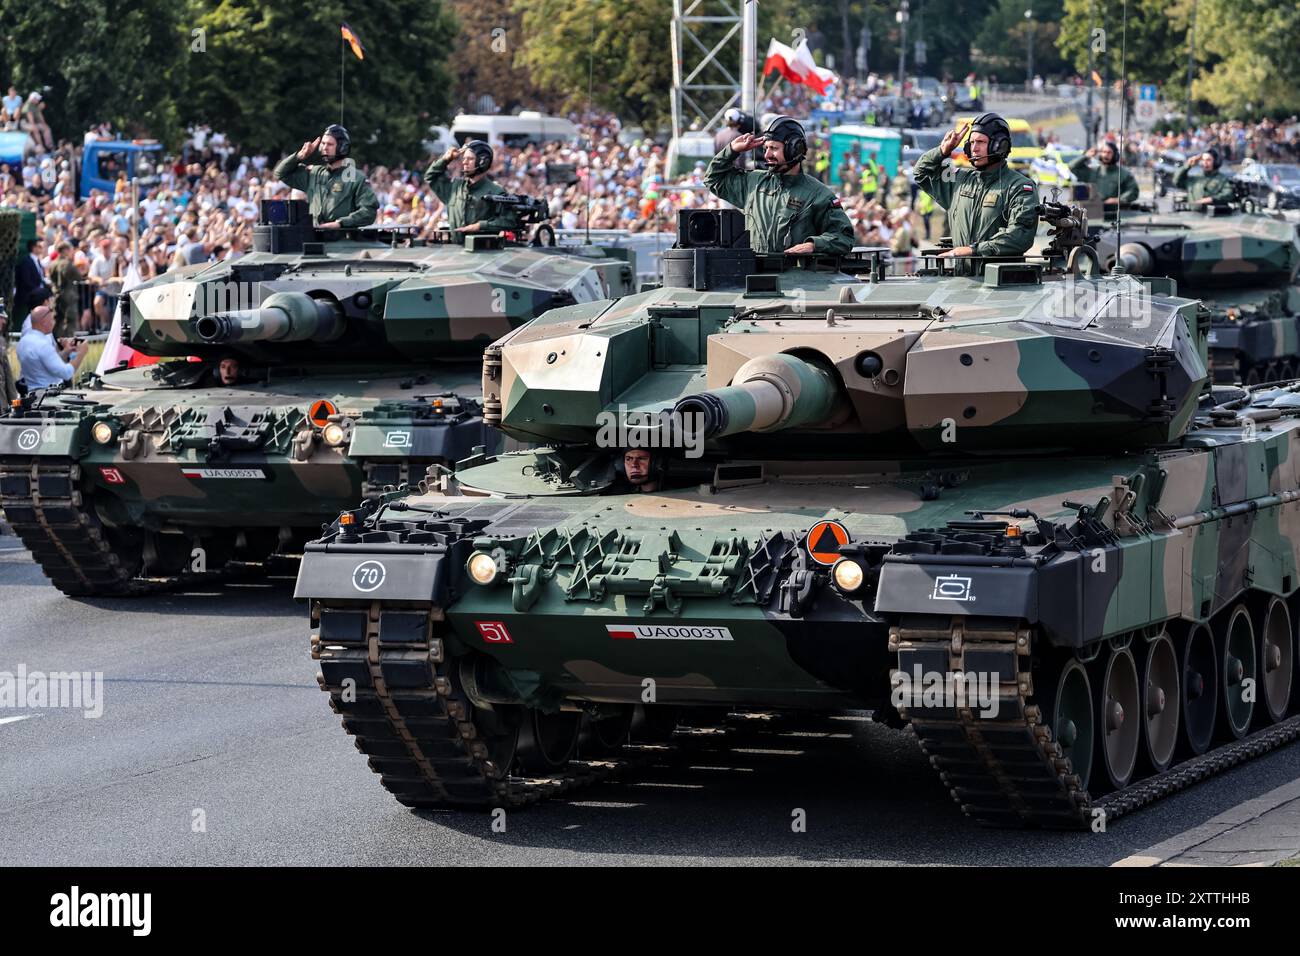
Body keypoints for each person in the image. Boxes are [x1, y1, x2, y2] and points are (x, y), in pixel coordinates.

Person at [704, 115, 855, 257]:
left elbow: (843, 236)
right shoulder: (754, 183)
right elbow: (713, 179)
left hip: (798, 279)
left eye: (774, 148)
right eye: (765, 149)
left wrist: (814, 244)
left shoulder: (818, 194)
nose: (767, 155)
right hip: (755, 274)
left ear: (794, 150)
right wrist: (732, 150)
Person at [912, 113, 1040, 273]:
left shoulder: (1019, 187)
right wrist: (942, 151)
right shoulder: (959, 179)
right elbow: (920, 173)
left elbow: (1020, 236)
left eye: (980, 142)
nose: (974, 148)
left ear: (999, 145)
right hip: (961, 279)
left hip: (1002, 285)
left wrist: (975, 250)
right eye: (971, 142)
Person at [272, 124, 378, 229]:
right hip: (314, 237)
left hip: (342, 239)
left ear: (342, 147)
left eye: (330, 144)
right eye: (323, 143)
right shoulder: (314, 174)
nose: (324, 148)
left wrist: (341, 223)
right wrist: (299, 156)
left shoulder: (356, 178)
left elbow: (369, 211)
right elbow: (280, 173)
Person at [423, 140, 520, 236]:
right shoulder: (454, 188)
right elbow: (431, 177)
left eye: (470, 159)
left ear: (483, 162)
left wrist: (480, 226)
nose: (464, 162)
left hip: (484, 249)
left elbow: (509, 221)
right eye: (464, 158)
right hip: (456, 248)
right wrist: (445, 159)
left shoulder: (496, 192)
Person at [17, 303, 85, 390]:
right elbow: (66, 373)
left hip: (32, 392)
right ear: (44, 322)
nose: (54, 322)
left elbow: (45, 364)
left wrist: (67, 351)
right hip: (48, 395)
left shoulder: (23, 342)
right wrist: (80, 353)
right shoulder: (43, 344)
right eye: (52, 319)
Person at [1068, 141, 1139, 217]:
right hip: (1092, 211)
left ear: (1115, 154)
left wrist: (1118, 199)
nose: (1106, 155)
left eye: (1109, 152)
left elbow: (1133, 190)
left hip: (1114, 212)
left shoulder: (1124, 173)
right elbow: (1072, 166)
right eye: (1104, 152)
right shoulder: (1092, 171)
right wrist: (1086, 156)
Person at [48, 241, 84, 339]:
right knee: (70, 320)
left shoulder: (52, 264)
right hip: (68, 295)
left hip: (56, 294)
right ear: (65, 250)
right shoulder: (67, 264)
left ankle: (55, 340)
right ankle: (68, 341)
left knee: (57, 319)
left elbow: (50, 278)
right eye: (69, 250)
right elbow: (78, 277)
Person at [13, 238, 49, 328]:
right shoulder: (26, 261)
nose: (41, 248)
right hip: (29, 296)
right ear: (33, 248)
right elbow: (26, 280)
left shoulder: (37, 261)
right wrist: (39, 292)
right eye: (39, 246)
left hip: (38, 295)